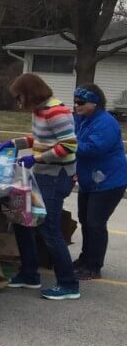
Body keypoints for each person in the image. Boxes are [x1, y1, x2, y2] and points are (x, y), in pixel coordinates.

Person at [2, 73, 79, 300]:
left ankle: (68, 284)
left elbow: (68, 146)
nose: (18, 102)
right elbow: (42, 139)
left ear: (30, 93)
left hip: (56, 176)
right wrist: (15, 143)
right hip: (41, 174)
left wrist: (36, 159)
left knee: (49, 229)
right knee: (23, 222)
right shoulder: (39, 111)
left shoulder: (57, 111)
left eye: (19, 97)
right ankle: (29, 274)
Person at [71, 83, 127, 281]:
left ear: (94, 103)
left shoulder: (105, 122)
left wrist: (67, 144)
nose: (76, 105)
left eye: (81, 102)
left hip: (109, 181)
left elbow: (92, 148)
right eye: (75, 101)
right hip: (90, 181)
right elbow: (70, 135)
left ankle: (94, 266)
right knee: (85, 220)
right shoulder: (81, 119)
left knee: (95, 222)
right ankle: (85, 258)